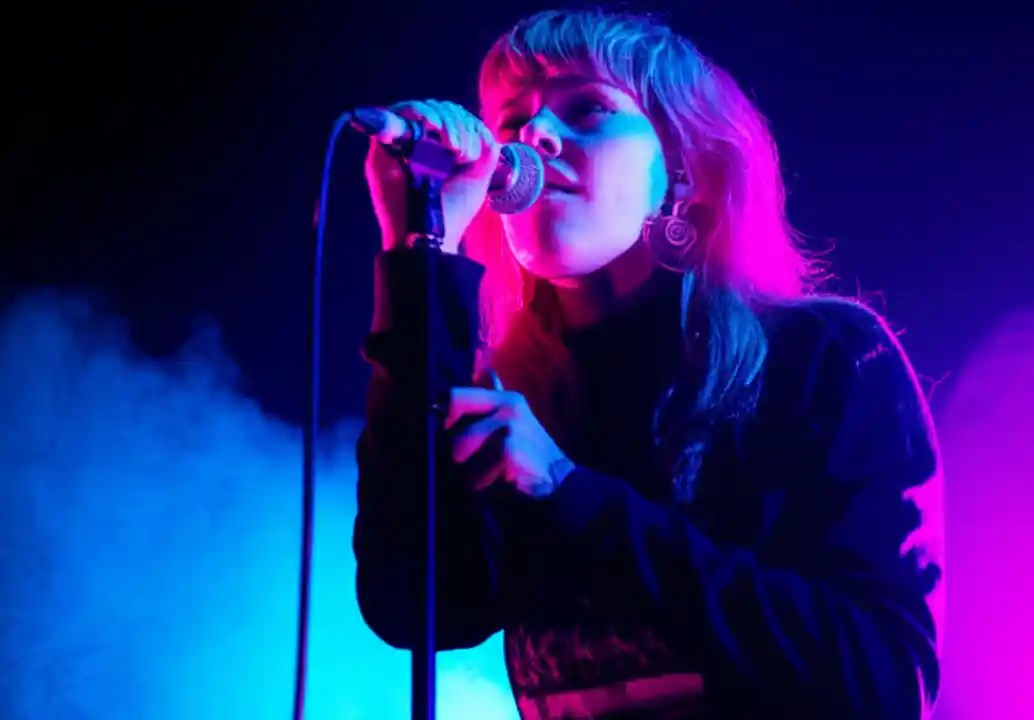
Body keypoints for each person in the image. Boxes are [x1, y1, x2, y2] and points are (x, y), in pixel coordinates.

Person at [353, 7, 945, 719]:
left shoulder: (823, 359)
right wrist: (420, 252)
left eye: (590, 110)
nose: (534, 137)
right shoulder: (517, 395)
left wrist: (570, 497)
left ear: (684, 173)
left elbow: (883, 682)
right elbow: (418, 604)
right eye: (511, 122)